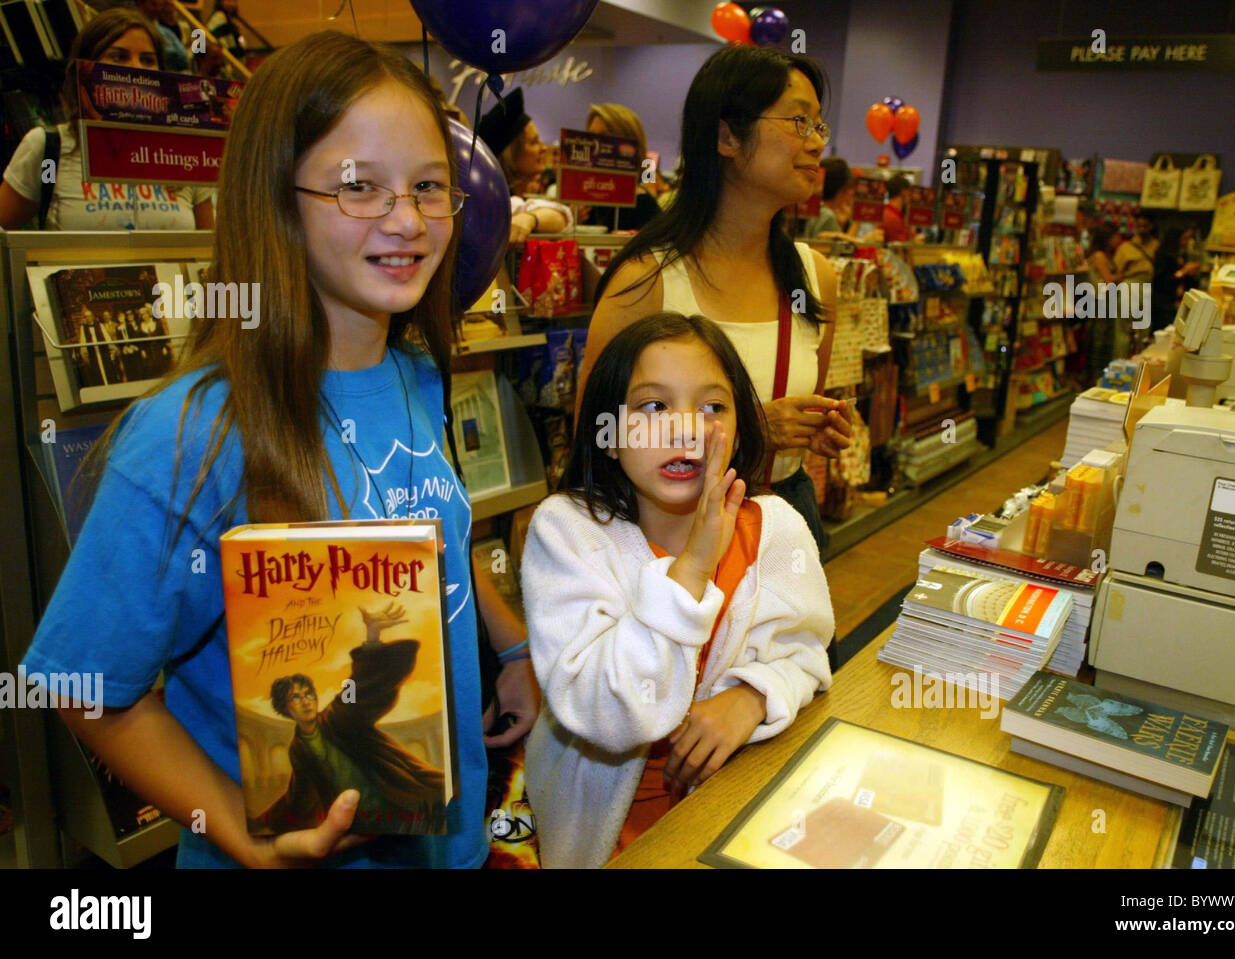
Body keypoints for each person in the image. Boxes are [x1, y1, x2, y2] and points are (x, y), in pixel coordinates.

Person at [21, 30, 506, 868]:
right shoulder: (194, 434)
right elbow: (82, 683)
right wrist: (239, 832)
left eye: (429, 186)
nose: (408, 218)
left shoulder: (416, 376)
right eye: (360, 187)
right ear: (274, 199)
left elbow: (434, 538)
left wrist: (517, 648)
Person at [523, 312, 833, 868]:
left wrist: (755, 695)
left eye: (713, 407)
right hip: (603, 840)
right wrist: (691, 568)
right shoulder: (569, 533)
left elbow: (807, 655)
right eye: (653, 406)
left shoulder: (777, 529)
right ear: (609, 437)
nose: (687, 428)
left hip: (733, 820)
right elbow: (602, 711)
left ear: (740, 430)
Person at [582, 45, 851, 561]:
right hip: (672, 536)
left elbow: (803, 402)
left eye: (820, 126)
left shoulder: (816, 279)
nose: (817, 143)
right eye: (799, 121)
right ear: (727, 135)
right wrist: (750, 431)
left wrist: (816, 428)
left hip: (784, 527)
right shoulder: (647, 282)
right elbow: (597, 435)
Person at [0, 8, 214, 231]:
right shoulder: (50, 151)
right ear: (86, 68)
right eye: (119, 57)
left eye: (148, 60)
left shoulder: (186, 157)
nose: (136, 69)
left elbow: (209, 250)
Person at [256, 604, 446, 835]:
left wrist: (372, 638)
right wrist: (262, 821)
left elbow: (361, 684)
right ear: (285, 708)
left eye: (308, 693)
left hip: (399, 807)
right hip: (357, 824)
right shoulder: (298, 749)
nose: (306, 701)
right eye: (295, 697)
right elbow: (299, 797)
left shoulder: (337, 714)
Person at [477, 88, 573, 245]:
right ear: (511, 155)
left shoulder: (514, 201)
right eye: (534, 142)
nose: (543, 148)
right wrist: (531, 218)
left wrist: (530, 218)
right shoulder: (500, 203)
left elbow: (563, 216)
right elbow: (562, 216)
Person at [584, 103, 661, 232]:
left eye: (604, 137)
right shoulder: (588, 203)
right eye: (591, 137)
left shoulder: (644, 205)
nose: (595, 145)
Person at [1085, 223, 1125, 382]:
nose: (1118, 240)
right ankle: (1096, 375)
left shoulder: (1104, 255)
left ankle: (1098, 374)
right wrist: (1121, 276)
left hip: (1104, 300)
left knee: (1103, 336)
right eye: (1115, 236)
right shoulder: (1100, 256)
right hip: (1101, 301)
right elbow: (1108, 280)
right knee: (1100, 338)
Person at [804, 156, 856, 242]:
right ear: (843, 190)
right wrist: (856, 225)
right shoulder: (827, 215)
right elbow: (840, 250)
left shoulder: (810, 208)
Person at [135, 0, 192, 72]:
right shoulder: (134, 29)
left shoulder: (166, 32)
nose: (157, 9)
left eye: (160, 5)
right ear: (140, 4)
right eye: (153, 4)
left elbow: (183, 57)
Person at [881, 173, 912, 243]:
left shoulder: (892, 213)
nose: (911, 196)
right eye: (909, 191)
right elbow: (900, 245)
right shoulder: (892, 216)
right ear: (904, 191)